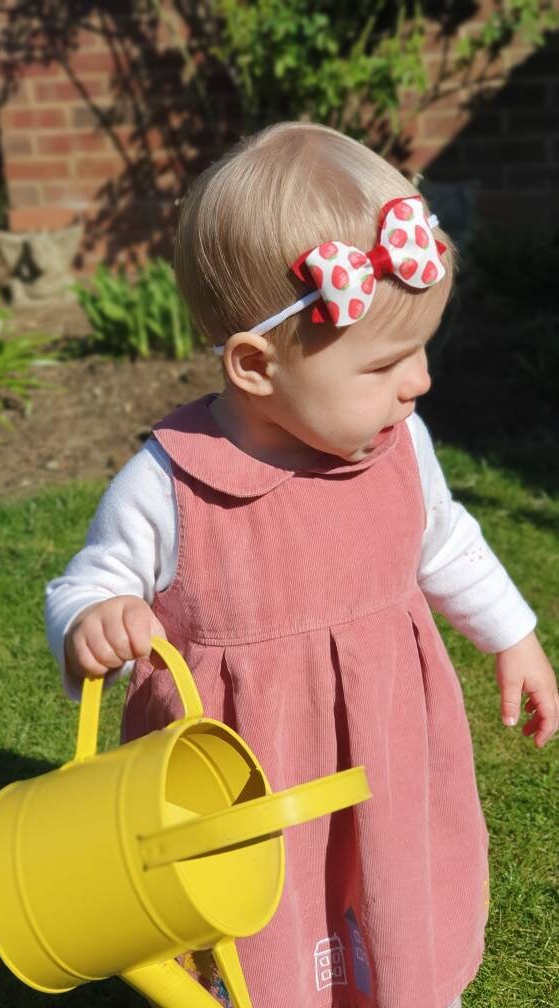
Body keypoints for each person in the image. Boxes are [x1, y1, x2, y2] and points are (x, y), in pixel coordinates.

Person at [45, 122, 558, 1008]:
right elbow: (87, 583)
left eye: (422, 350)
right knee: (264, 928)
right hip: (244, 774)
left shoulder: (402, 443)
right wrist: (95, 621)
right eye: (389, 362)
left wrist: (513, 634)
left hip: (385, 740)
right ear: (256, 365)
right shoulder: (170, 484)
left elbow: (443, 540)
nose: (421, 383)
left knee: (390, 877)